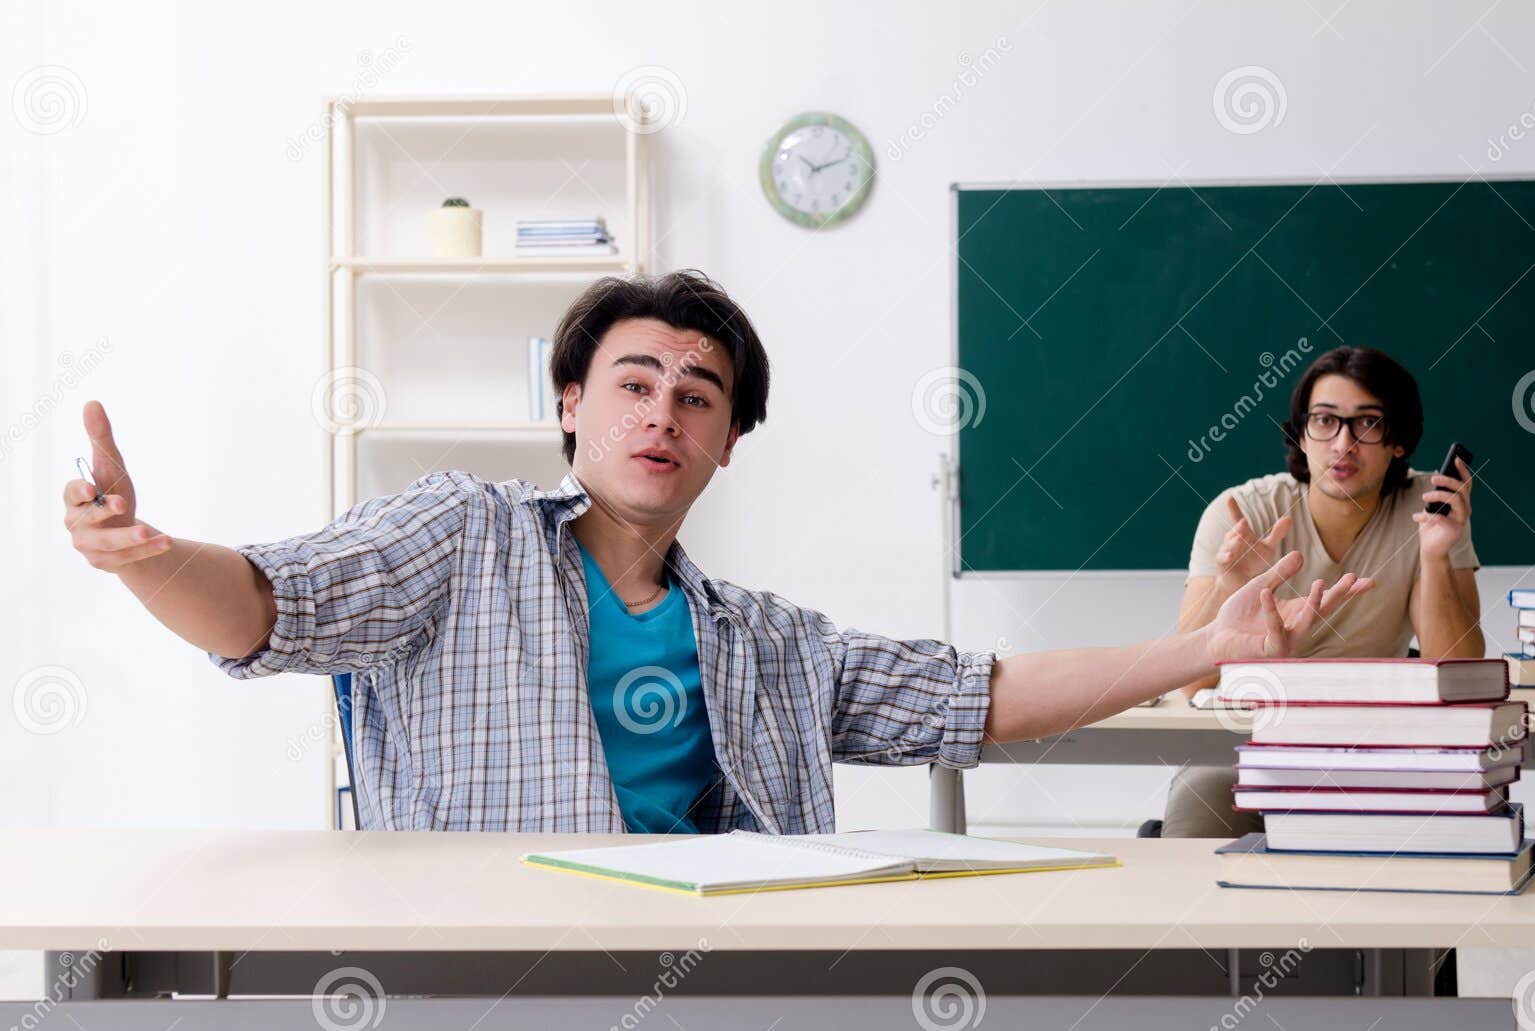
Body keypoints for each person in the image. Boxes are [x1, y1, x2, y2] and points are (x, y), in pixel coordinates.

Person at [63, 270, 1373, 834]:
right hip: (483, 995)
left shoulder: (769, 639)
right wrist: (147, 554)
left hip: (728, 991)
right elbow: (267, 608)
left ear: (728, 441)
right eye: (634, 382)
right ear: (569, 403)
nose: (663, 412)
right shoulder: (457, 533)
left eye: (699, 395)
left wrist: (1207, 643)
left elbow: (983, 701)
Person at [1164, 345, 1482, 839]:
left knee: (1452, 823)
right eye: (1325, 421)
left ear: (1398, 440)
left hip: (1375, 753)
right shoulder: (1243, 512)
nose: (1343, 444)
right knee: (1199, 805)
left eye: (1368, 424)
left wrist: (1436, 555)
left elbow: (1459, 673)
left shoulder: (1427, 511)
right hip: (1249, 749)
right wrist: (1231, 583)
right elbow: (1190, 683)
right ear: (1302, 434)